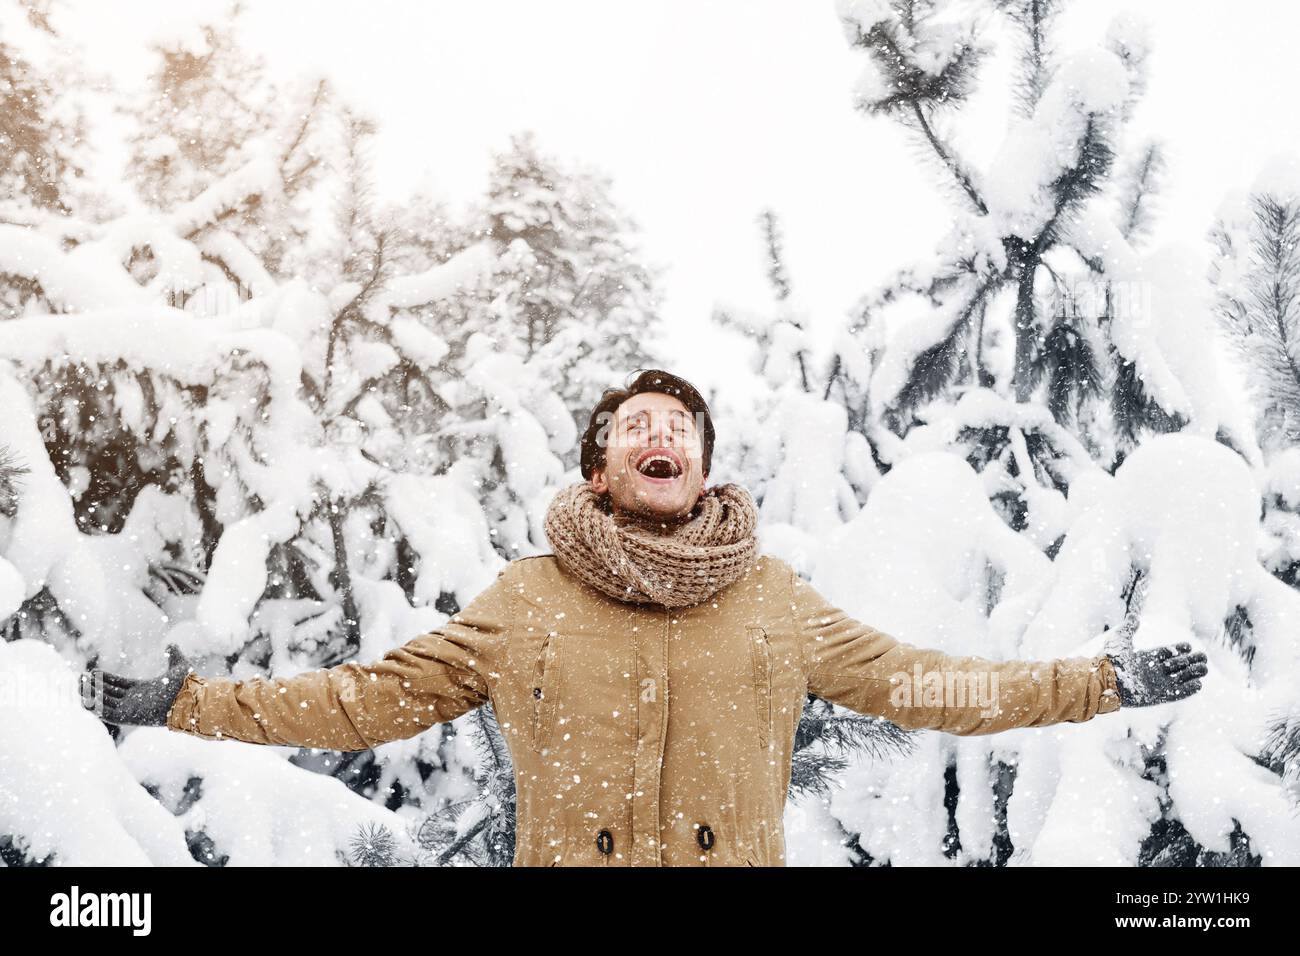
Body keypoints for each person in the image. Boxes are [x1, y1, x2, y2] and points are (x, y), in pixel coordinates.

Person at [81, 368, 1207, 867]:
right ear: (602, 464)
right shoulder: (527, 599)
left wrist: (1103, 680)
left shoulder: (775, 603)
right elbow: (360, 701)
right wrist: (176, 700)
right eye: (633, 423)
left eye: (678, 422)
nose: (656, 432)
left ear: (705, 465)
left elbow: (938, 685)